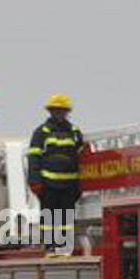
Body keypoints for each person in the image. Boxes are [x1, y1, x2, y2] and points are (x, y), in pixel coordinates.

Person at [26, 93, 84, 252]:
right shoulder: (41, 132)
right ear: (50, 111)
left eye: (62, 110)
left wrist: (83, 183)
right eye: (55, 110)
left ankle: (66, 244)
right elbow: (33, 157)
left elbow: (83, 157)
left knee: (67, 217)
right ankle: (49, 245)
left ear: (66, 112)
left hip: (70, 184)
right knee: (48, 216)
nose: (59, 113)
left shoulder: (74, 131)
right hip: (48, 184)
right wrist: (34, 180)